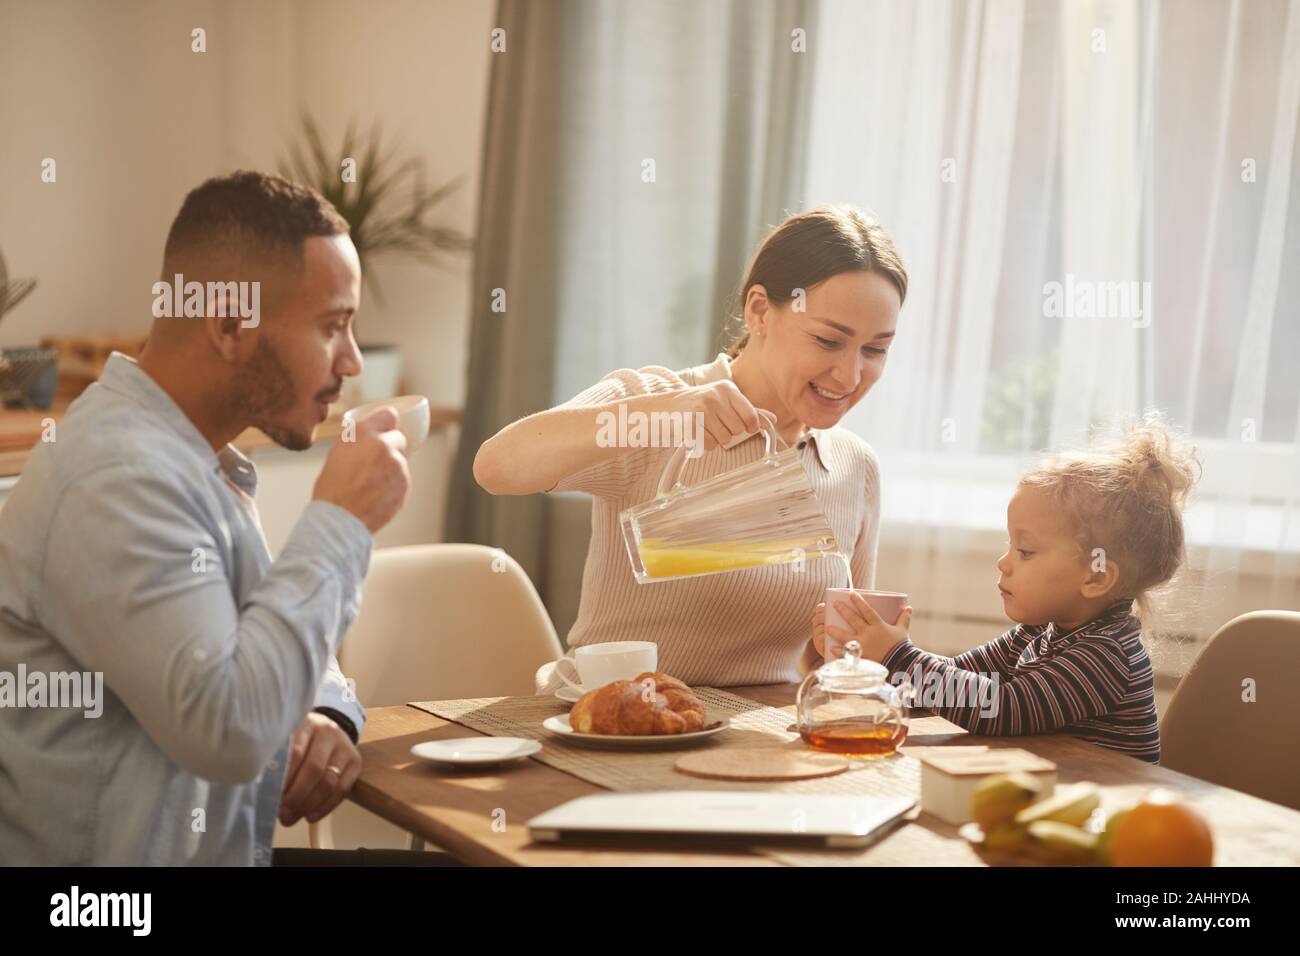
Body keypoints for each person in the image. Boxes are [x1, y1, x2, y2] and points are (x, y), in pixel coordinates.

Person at [0, 171, 411, 863]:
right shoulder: (118, 480)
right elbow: (232, 729)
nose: (350, 361)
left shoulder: (189, 459)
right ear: (228, 324)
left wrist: (327, 710)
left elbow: (259, 634)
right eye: (333, 325)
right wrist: (339, 520)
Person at [475, 205, 907, 688]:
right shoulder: (655, 405)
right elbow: (496, 466)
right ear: (759, 310)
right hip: (615, 729)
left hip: (754, 742)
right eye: (828, 340)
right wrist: (663, 415)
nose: (850, 377)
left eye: (875, 350)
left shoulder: (854, 467)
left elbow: (829, 661)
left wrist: (863, 653)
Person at [816, 414, 1199, 763]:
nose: (1004, 562)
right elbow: (951, 684)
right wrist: (866, 665)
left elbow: (1002, 708)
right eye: (1010, 546)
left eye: (1026, 551)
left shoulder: (1108, 655)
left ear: (1096, 576)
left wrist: (899, 657)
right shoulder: (1038, 632)